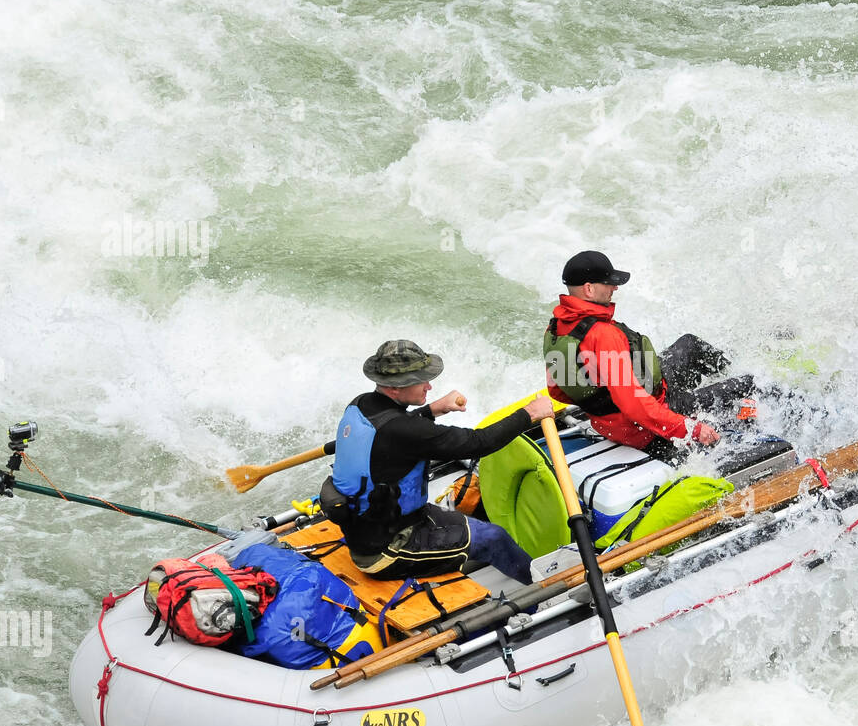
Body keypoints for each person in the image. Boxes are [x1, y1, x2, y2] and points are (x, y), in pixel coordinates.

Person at [321, 339, 555, 584]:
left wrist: (434, 409)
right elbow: (478, 443)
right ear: (394, 388)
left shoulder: (360, 404)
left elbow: (394, 428)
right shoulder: (406, 432)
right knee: (493, 537)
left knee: (476, 524)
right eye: (421, 379)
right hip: (389, 551)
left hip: (373, 528)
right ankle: (543, 593)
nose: (429, 385)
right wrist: (530, 414)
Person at [543, 250, 753, 457]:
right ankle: (751, 416)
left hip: (617, 418)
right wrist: (691, 428)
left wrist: (601, 407)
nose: (615, 287)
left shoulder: (556, 329)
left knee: (690, 344)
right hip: (645, 426)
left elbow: (557, 391)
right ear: (589, 289)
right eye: (609, 283)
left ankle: (727, 381)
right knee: (749, 383)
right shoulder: (603, 335)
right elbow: (635, 407)